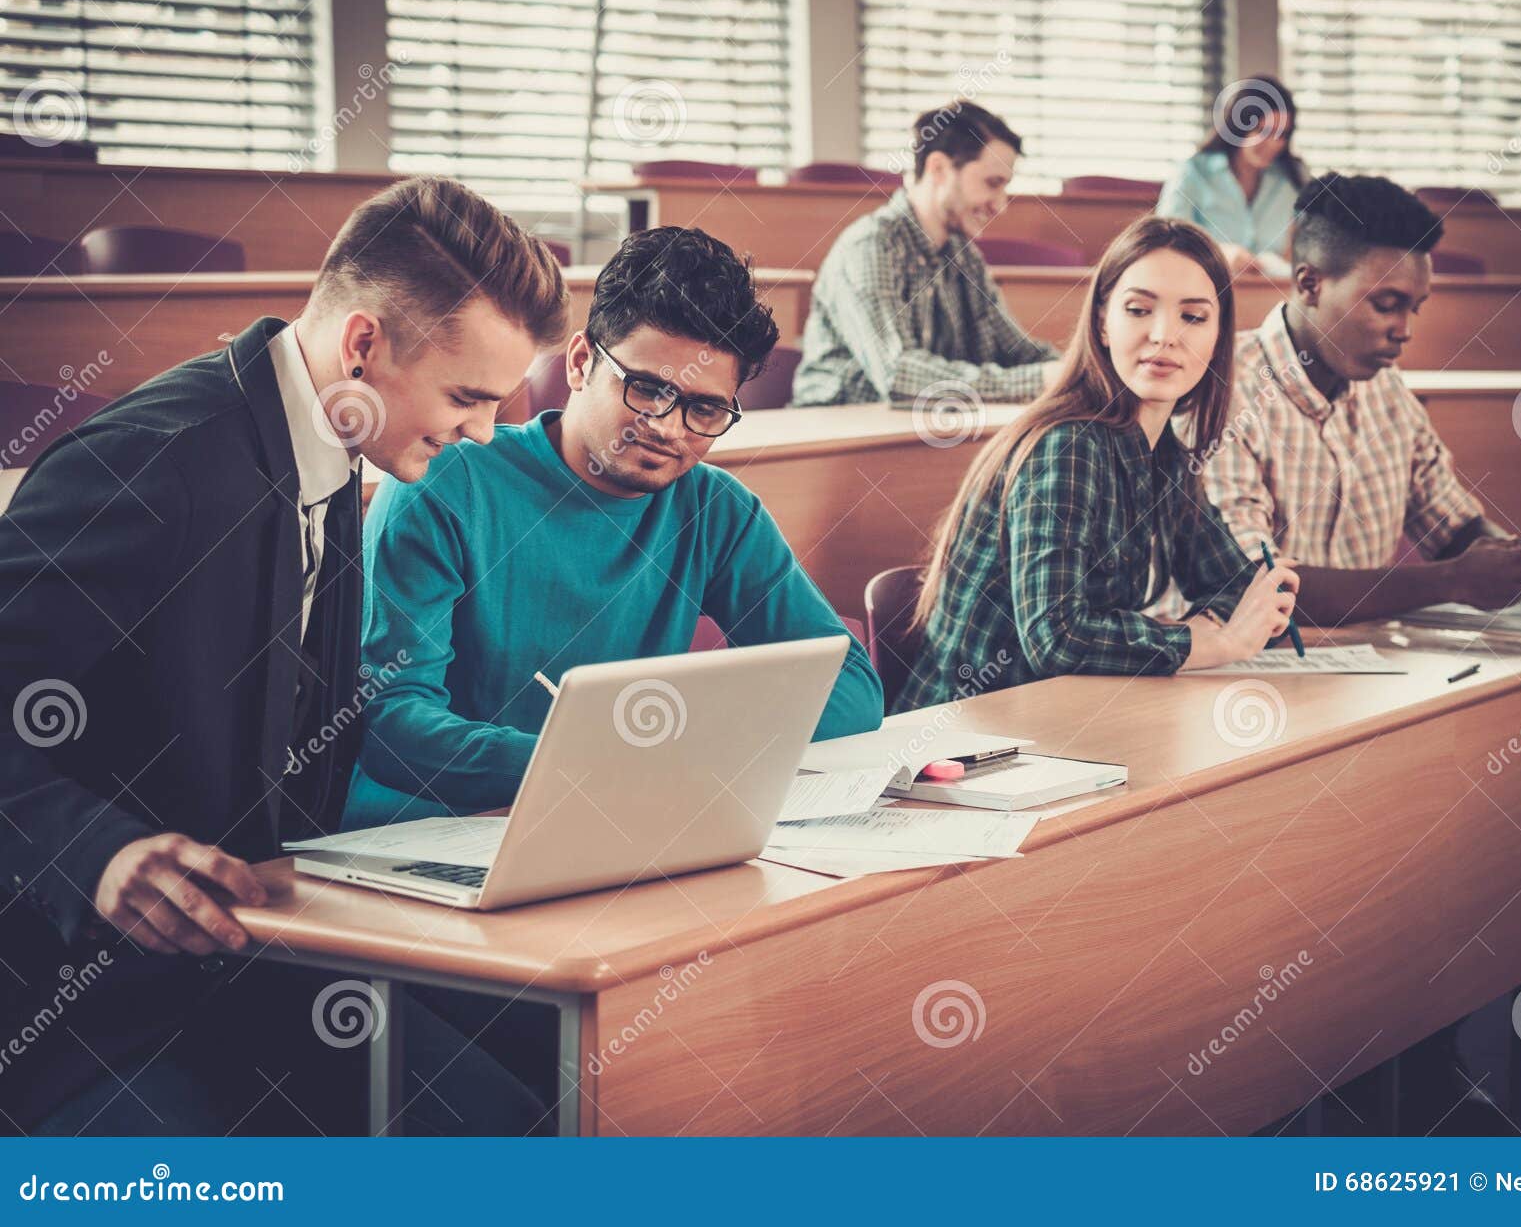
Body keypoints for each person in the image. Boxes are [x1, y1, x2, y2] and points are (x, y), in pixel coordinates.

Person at [0, 176, 568, 1135]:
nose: (482, 431)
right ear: (363, 345)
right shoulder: (153, 461)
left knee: (518, 1116)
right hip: (88, 1000)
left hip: (255, 950)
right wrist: (95, 853)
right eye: (467, 397)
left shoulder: (336, 440)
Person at [346, 225, 882, 827]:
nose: (668, 428)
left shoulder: (715, 508)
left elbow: (852, 689)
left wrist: (673, 748)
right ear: (581, 363)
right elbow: (391, 719)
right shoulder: (446, 482)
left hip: (622, 821)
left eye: (705, 408)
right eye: (647, 389)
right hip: (432, 832)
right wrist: (595, 763)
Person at [894, 216, 1299, 712]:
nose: (1164, 335)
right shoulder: (1067, 448)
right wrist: (1209, 643)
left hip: (1064, 719)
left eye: (1193, 317)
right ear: (1103, 322)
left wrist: (1226, 626)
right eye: (1139, 310)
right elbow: (1056, 639)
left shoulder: (1164, 453)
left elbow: (1237, 587)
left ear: (1218, 337)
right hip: (970, 734)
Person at [1202, 172, 1521, 626]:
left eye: (1414, 308)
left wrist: (1517, 561)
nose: (1405, 331)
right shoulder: (1223, 391)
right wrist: (1452, 580)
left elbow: (1453, 527)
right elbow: (1252, 585)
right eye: (1386, 304)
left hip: (1370, 661)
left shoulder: (1387, 389)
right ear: (1310, 284)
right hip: (1256, 662)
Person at [790, 100, 1062, 406]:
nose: (1000, 205)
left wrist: (1073, 372)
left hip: (916, 423)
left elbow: (1017, 351)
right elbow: (898, 375)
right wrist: (1039, 380)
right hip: (838, 424)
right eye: (992, 183)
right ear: (939, 169)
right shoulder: (870, 247)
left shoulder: (964, 256)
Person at [1156, 75, 1309, 278]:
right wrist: (1218, 253)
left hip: (1273, 288)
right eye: (1263, 130)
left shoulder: (1292, 179)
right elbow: (1166, 242)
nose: (1273, 144)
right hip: (1205, 284)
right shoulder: (1193, 173)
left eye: (1282, 134)